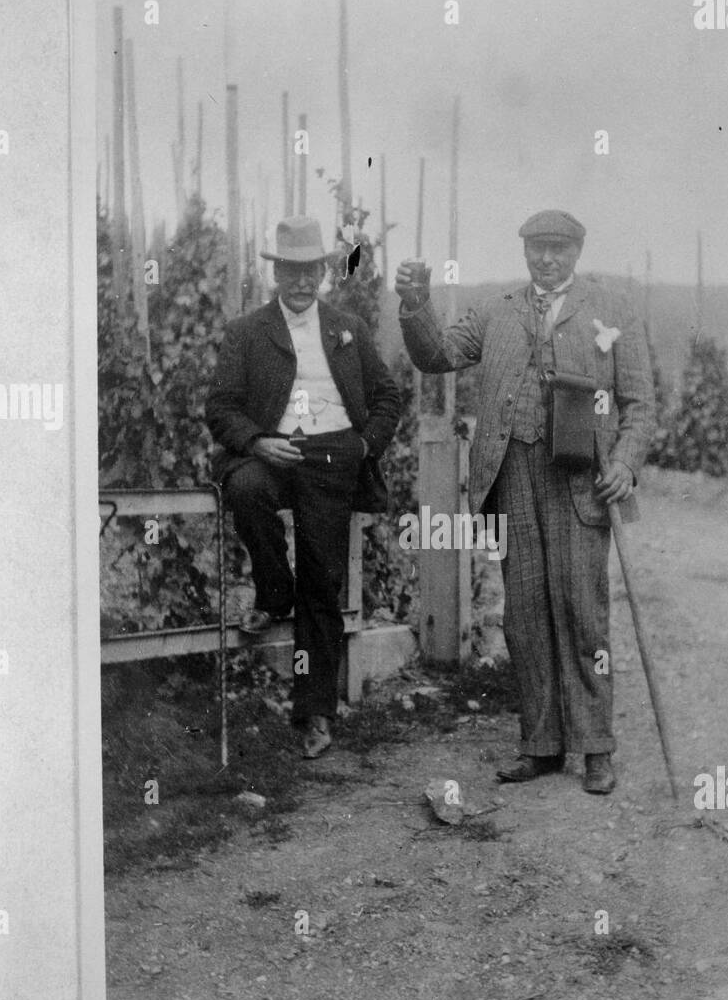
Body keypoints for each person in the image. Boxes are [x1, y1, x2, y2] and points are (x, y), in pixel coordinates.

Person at [396, 210, 655, 794]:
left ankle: (593, 746)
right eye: (537, 248)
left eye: (558, 248)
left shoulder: (612, 310)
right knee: (525, 614)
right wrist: (415, 302)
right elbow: (435, 354)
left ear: (577, 252)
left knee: (581, 609)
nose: (547, 259)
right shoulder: (496, 311)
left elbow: (640, 405)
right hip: (512, 472)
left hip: (581, 478)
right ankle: (540, 744)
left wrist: (624, 463)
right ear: (525, 253)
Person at [207, 215, 401, 759]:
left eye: (309, 269)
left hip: (334, 454)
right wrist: (256, 441)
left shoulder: (347, 329)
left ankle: (315, 712)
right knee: (244, 487)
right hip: (273, 449)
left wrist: (366, 445)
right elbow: (220, 406)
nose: (299, 280)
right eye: (290, 270)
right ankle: (272, 590)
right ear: (276, 273)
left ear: (323, 271)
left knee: (322, 579)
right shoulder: (247, 332)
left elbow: (388, 396)